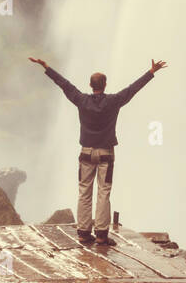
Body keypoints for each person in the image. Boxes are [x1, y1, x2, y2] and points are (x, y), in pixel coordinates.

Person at [27, 56, 167, 246]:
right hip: (106, 155)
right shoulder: (114, 101)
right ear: (105, 84)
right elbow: (132, 89)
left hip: (86, 152)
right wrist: (151, 73)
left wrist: (46, 67)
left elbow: (64, 85)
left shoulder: (82, 100)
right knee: (103, 192)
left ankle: (84, 233)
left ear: (90, 85)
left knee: (84, 191)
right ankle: (101, 234)